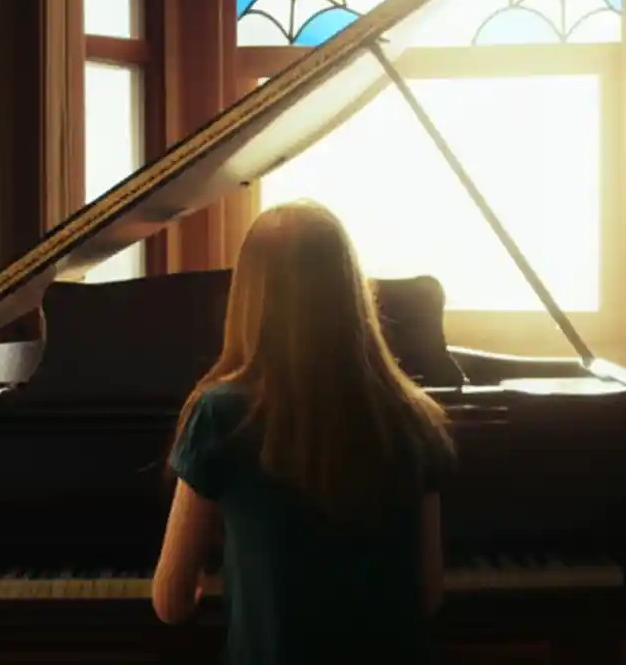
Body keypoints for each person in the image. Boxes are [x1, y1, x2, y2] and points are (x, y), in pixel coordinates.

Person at [151, 200, 457, 664]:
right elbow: (429, 594)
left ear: (248, 297)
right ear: (351, 293)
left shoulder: (219, 414)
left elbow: (172, 605)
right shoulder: (415, 417)